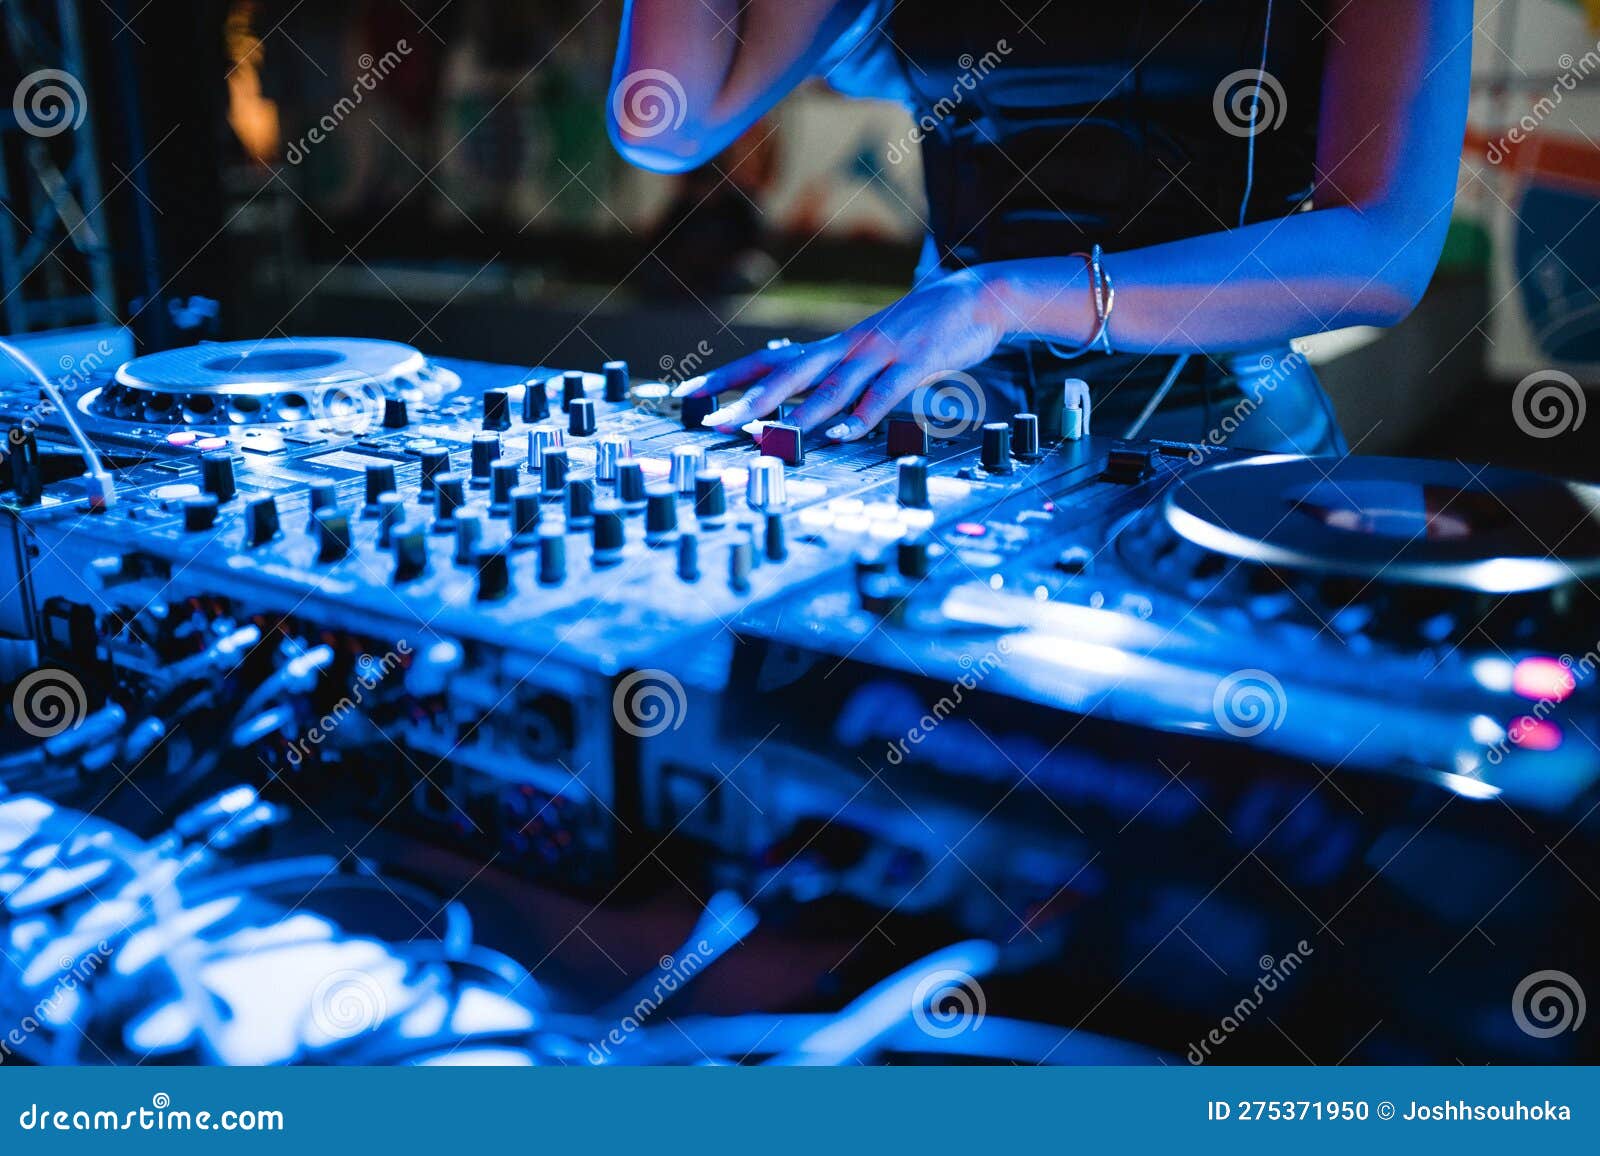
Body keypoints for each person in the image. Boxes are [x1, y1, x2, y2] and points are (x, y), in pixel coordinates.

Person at [608, 0, 1471, 454]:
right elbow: (663, 120)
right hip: (945, 428)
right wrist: (983, 305)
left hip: (1219, 440)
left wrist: (999, 299)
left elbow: (1382, 250)